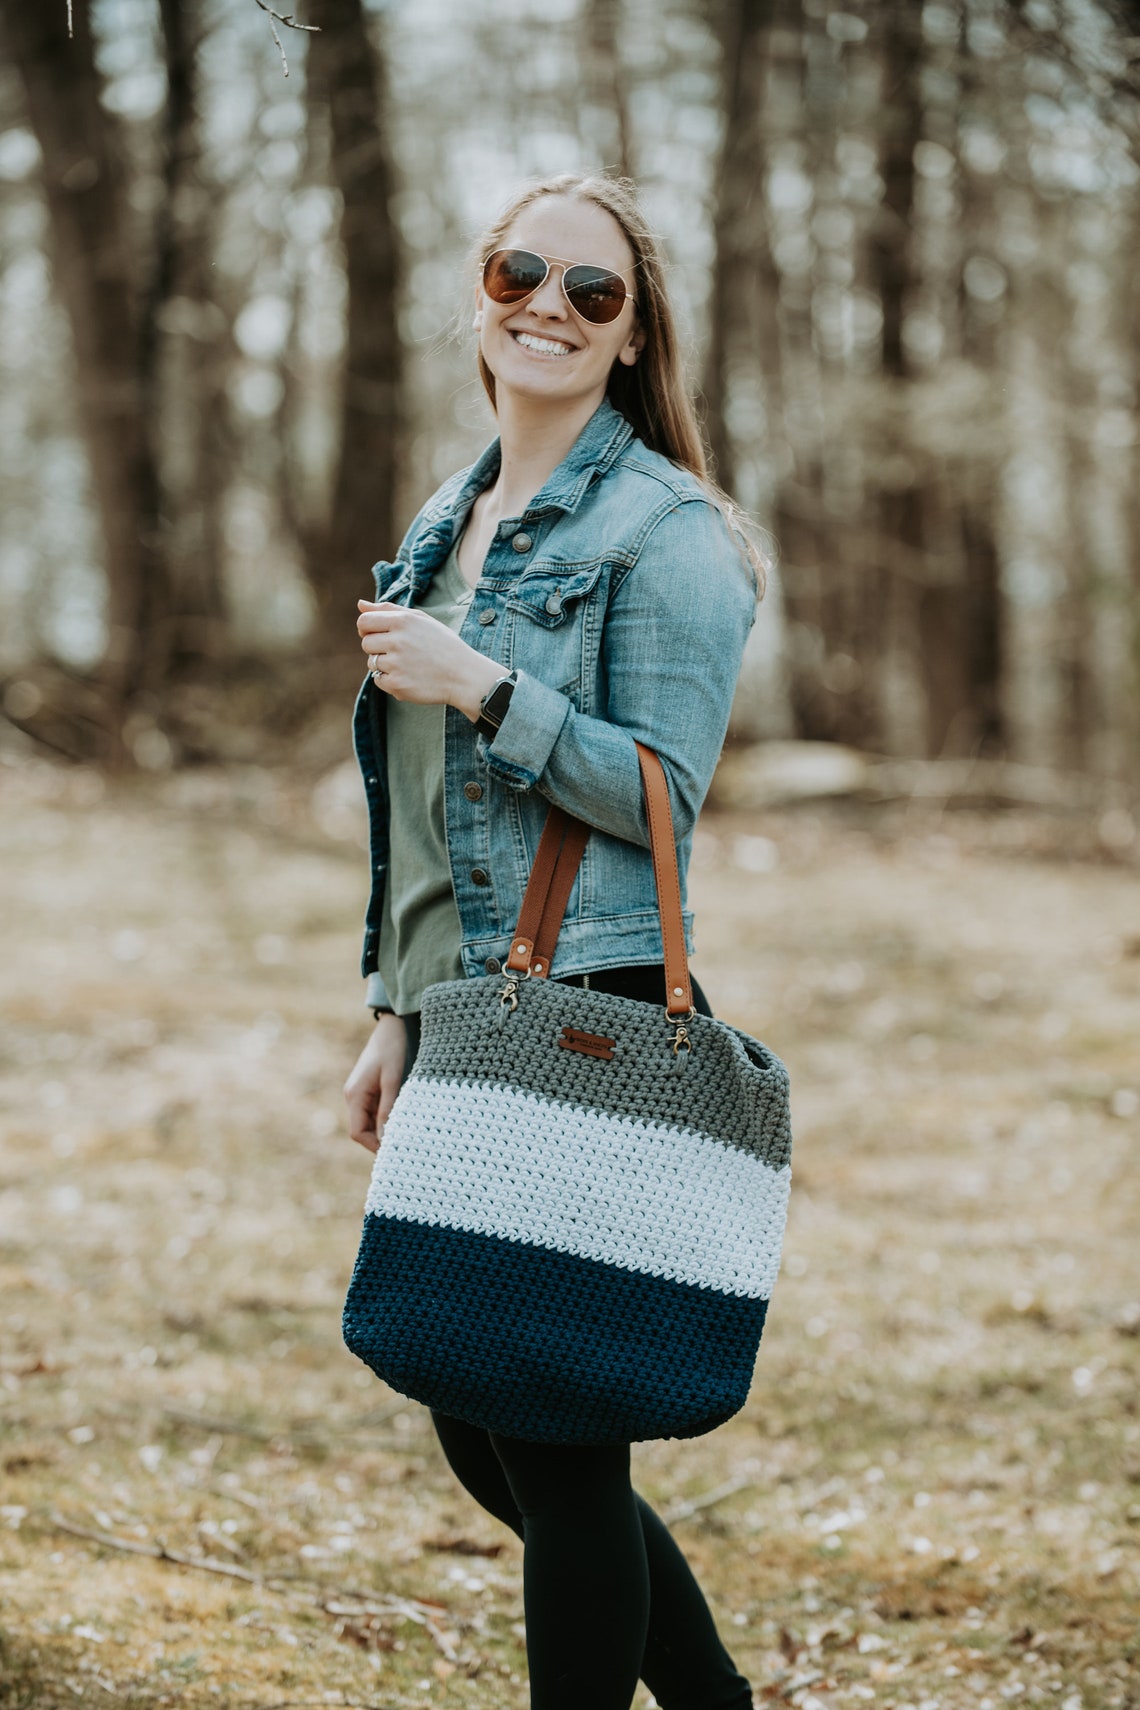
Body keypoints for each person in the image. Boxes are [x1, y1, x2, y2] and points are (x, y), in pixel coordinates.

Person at [342, 172, 762, 1710]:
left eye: (595, 292)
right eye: (526, 270)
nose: (551, 306)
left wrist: (487, 690)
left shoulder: (674, 533)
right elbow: (412, 811)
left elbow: (663, 793)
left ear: (637, 337)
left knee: (560, 1444)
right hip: (466, 1009)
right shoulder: (450, 522)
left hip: (586, 998)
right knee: (485, 1418)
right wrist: (393, 1003)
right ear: (482, 289)